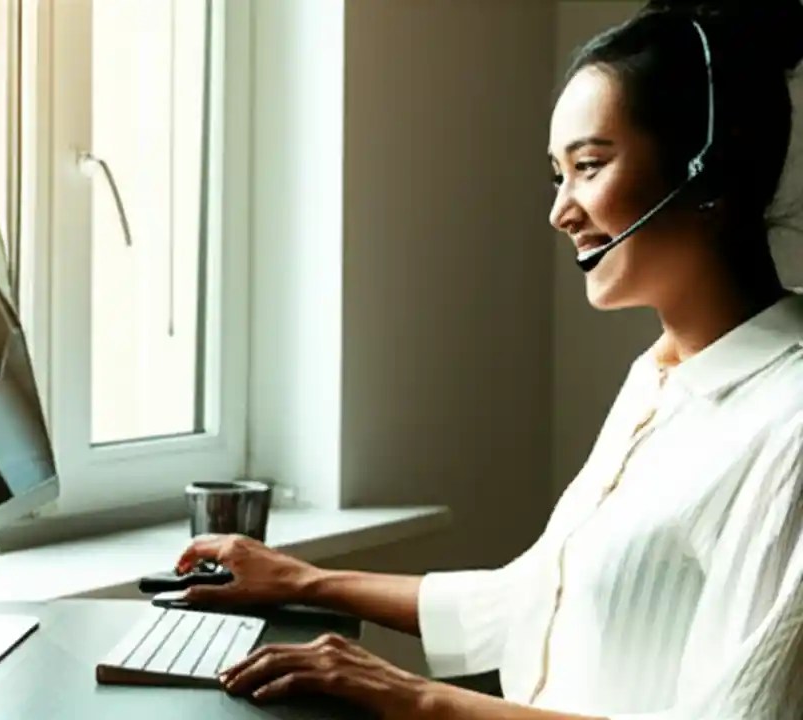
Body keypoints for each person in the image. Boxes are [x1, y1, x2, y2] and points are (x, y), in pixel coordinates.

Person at [172, 1, 803, 718]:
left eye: (588, 167)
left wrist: (412, 697)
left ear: (708, 174)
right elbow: (536, 597)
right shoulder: (662, 377)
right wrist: (303, 581)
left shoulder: (789, 427)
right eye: (556, 176)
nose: (560, 210)